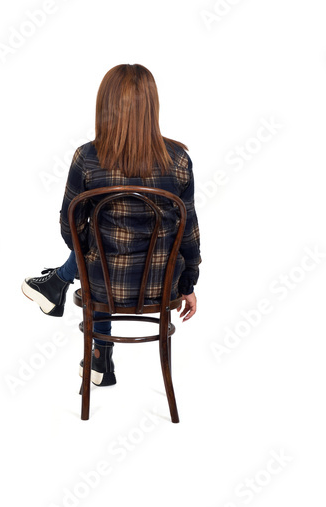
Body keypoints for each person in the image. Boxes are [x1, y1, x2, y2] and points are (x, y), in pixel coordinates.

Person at [22, 64, 200, 388]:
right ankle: (99, 356)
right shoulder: (179, 160)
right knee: (97, 246)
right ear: (152, 106)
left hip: (102, 286)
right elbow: (188, 235)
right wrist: (188, 285)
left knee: (94, 244)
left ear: (105, 106)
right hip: (162, 288)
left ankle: (66, 294)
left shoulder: (87, 158)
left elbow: (69, 228)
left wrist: (93, 244)